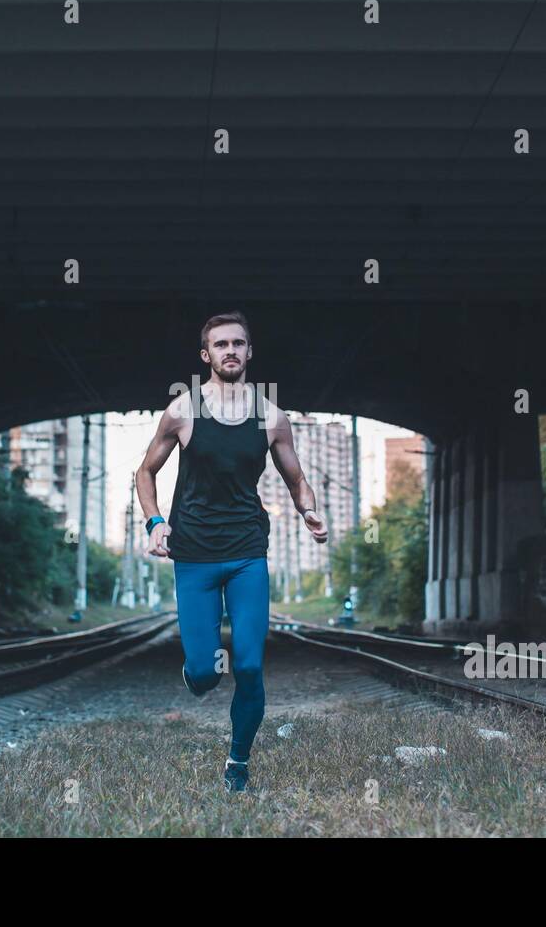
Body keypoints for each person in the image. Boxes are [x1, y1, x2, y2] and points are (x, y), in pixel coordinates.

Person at [135, 311, 327, 792]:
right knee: (204, 673)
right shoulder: (182, 412)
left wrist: (309, 512)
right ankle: (195, 673)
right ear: (206, 356)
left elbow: (296, 479)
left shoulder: (271, 416)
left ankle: (238, 762)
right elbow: (144, 473)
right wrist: (156, 521)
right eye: (220, 345)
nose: (230, 351)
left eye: (238, 344)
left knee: (247, 664)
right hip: (194, 552)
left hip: (246, 551)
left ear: (249, 352)